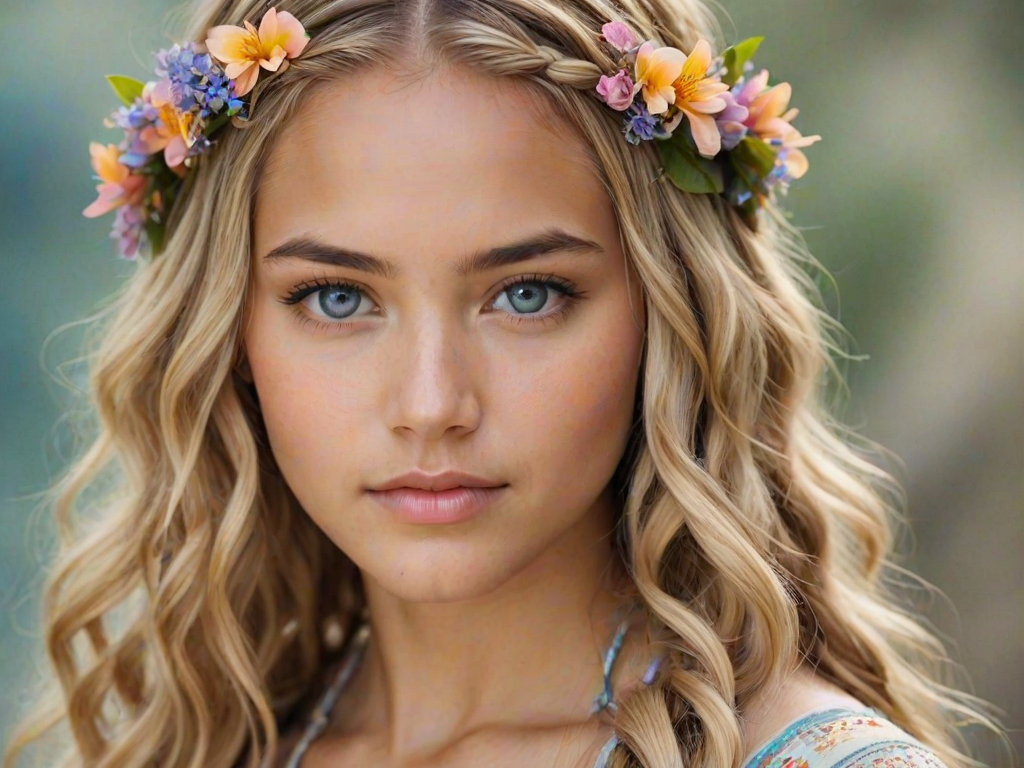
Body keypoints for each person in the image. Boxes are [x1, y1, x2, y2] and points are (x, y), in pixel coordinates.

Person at [4, 1, 1011, 767]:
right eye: (337, 299)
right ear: (228, 332)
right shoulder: (201, 748)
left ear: (672, 312)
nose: (431, 404)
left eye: (526, 295)